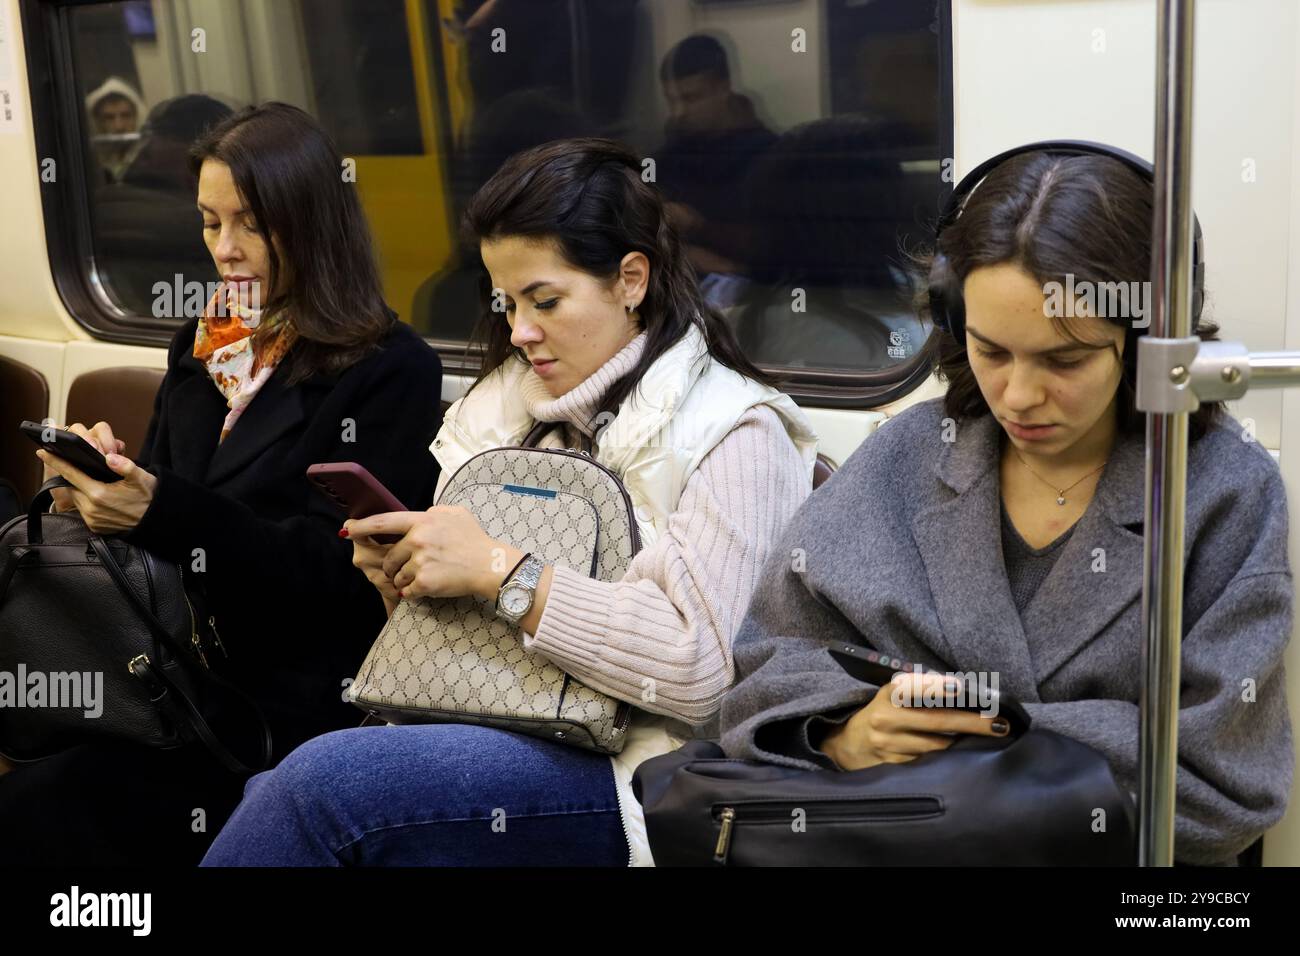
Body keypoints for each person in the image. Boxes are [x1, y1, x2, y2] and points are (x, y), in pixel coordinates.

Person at [200, 136, 819, 866]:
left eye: (546, 300)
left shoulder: (737, 433)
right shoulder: (500, 412)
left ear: (630, 279)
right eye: (510, 302)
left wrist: (502, 571)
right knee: (275, 787)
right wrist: (405, 578)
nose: (521, 332)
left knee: (316, 789)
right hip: (481, 716)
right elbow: (452, 640)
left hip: (644, 767)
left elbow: (699, 672)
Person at [718, 146, 1293, 866]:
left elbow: (1220, 786)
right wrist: (843, 733)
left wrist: (973, 740)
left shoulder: (1219, 491)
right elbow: (764, 671)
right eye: (992, 351)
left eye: (1064, 359)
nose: (1018, 396)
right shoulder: (908, 455)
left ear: (1144, 339)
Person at [0, 103, 445, 865]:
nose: (225, 251)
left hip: (283, 700)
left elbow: (335, 576)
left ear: (309, 222)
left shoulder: (387, 369)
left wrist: (160, 507)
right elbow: (172, 498)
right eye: (210, 223)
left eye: (250, 224)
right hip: (166, 668)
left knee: (50, 812)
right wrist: (107, 482)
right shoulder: (204, 344)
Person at [85, 76, 145, 182]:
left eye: (126, 115)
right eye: (109, 118)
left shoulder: (151, 158)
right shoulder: (89, 162)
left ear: (137, 116)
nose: (119, 126)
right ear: (97, 121)